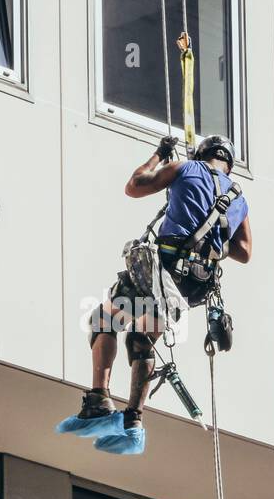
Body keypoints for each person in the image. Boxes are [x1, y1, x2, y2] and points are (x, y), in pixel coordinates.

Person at [56, 134, 252, 455]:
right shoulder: (238, 196)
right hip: (194, 285)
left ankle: (99, 401)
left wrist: (159, 156)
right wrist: (209, 243)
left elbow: (134, 186)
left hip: (164, 269)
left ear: (201, 154)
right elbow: (244, 251)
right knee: (142, 339)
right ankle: (133, 422)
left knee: (102, 320)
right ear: (228, 164)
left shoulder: (185, 168)